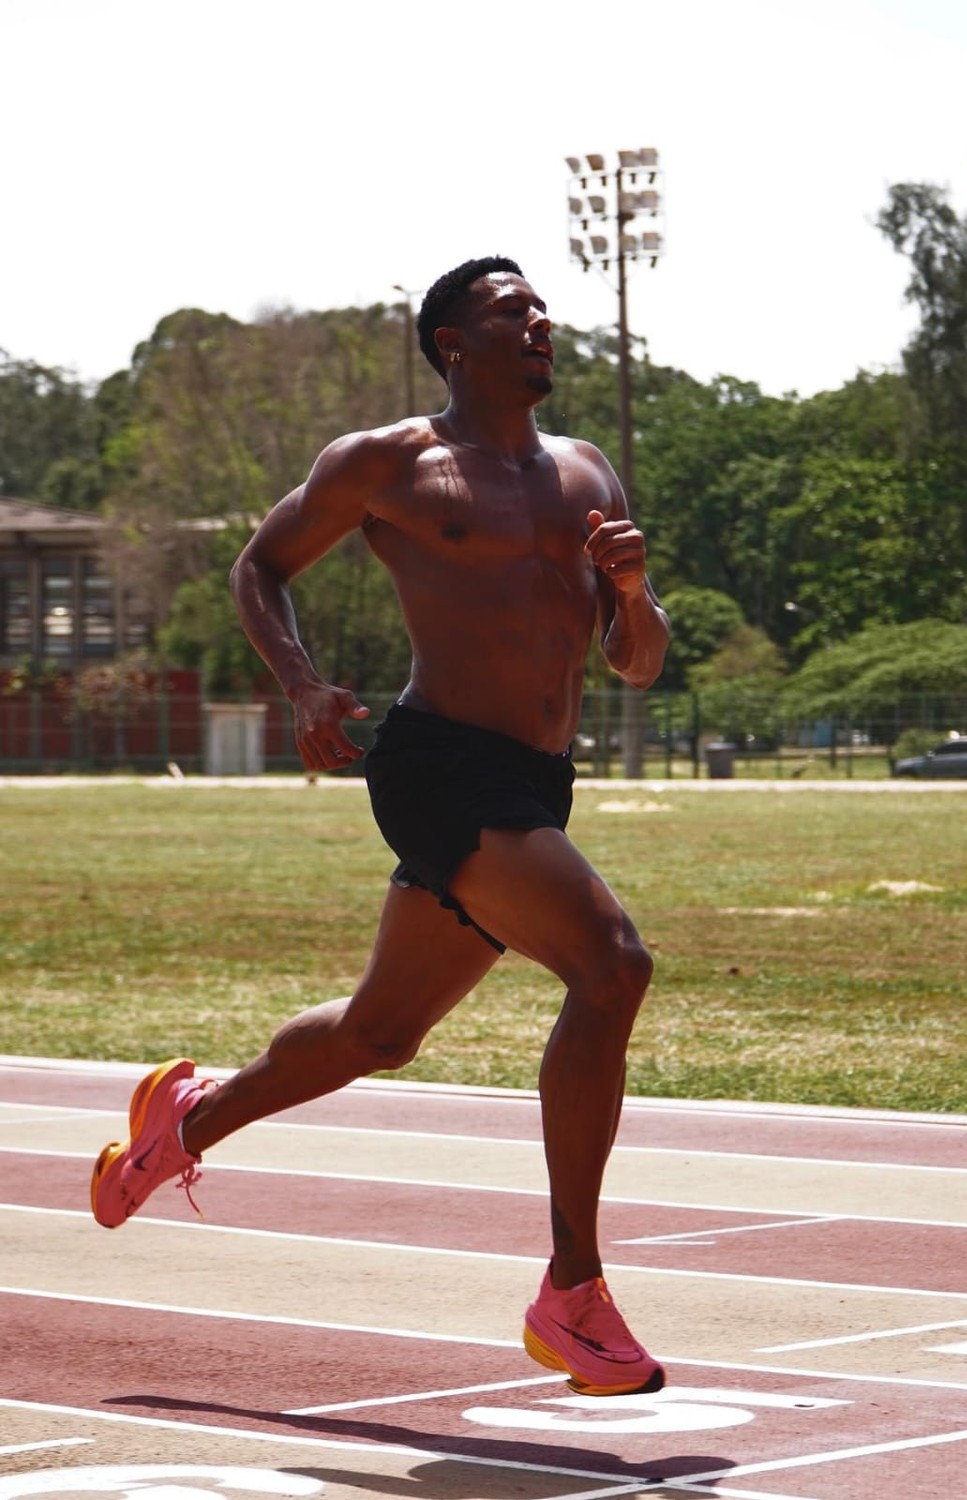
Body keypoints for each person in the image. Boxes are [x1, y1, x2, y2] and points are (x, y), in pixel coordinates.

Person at [90, 255, 672, 1399]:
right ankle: (573, 1294)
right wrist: (302, 685)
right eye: (514, 311)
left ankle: (184, 1124)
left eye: (544, 308)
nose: (542, 323)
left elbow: (635, 664)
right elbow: (261, 563)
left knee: (377, 1035)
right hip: (438, 765)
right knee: (612, 968)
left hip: (535, 779)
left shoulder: (584, 471)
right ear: (454, 342)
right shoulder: (390, 462)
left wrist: (638, 589)